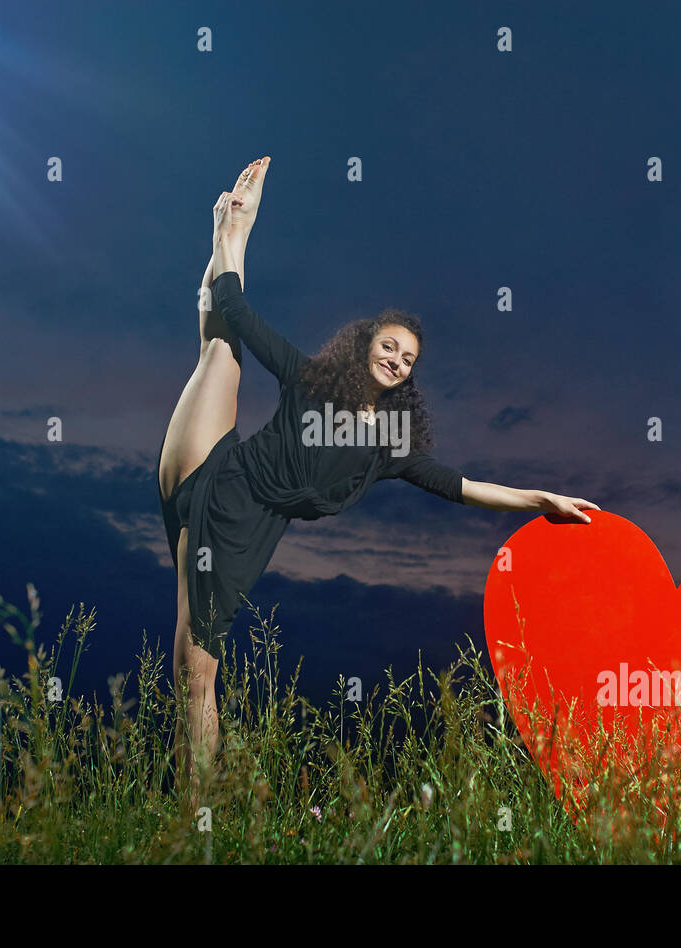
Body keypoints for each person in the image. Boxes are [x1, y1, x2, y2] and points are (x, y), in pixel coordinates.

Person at [157, 157, 600, 807]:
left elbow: (458, 484)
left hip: (236, 527)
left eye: (408, 358)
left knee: (195, 673)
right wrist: (234, 241)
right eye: (388, 346)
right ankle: (233, 228)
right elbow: (236, 311)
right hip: (210, 466)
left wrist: (539, 500)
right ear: (365, 345)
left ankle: (195, 816)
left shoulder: (387, 448)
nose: (396, 359)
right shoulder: (310, 380)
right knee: (220, 344)